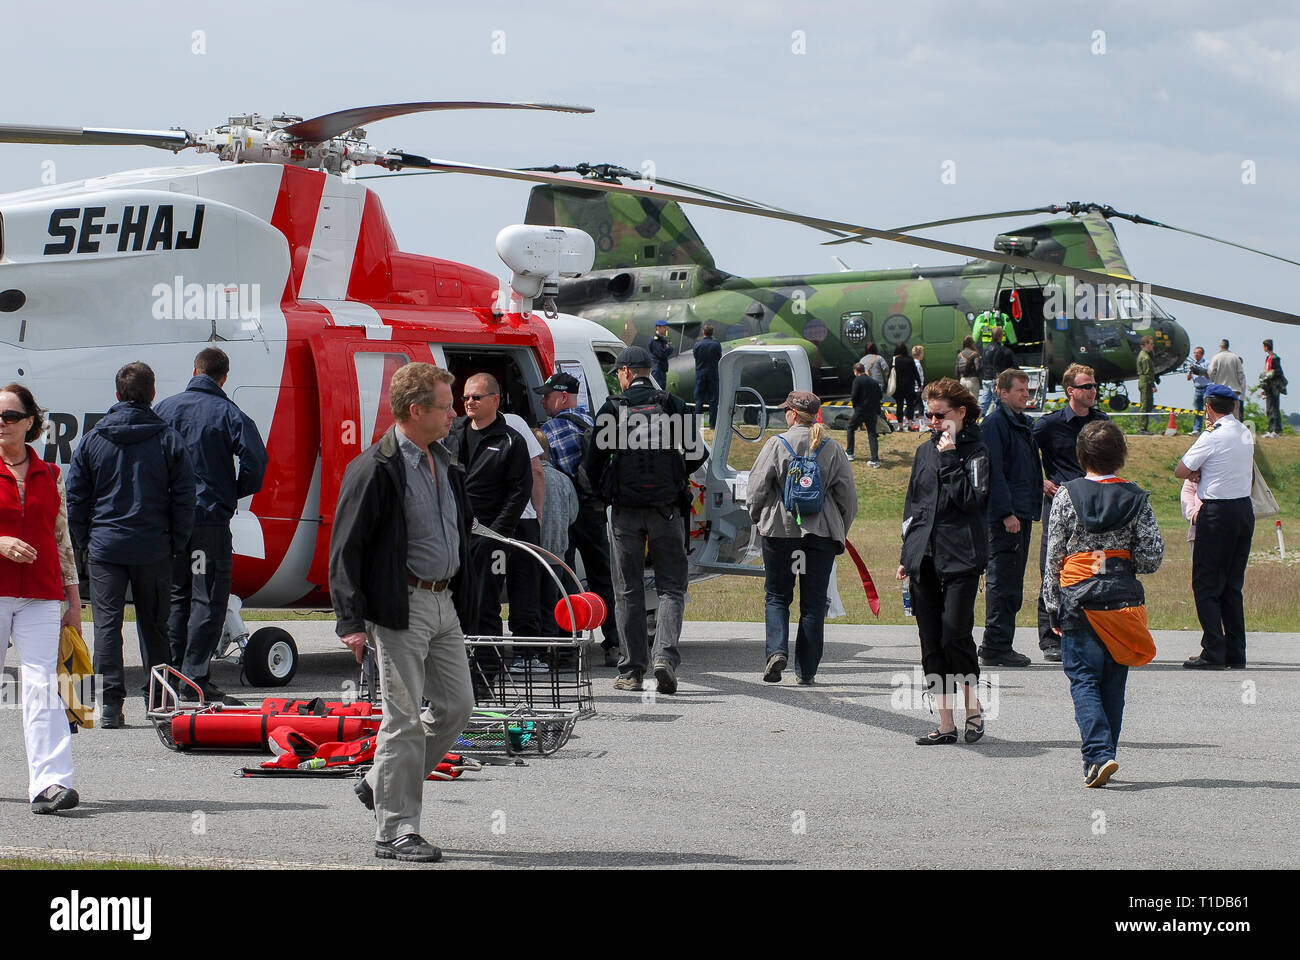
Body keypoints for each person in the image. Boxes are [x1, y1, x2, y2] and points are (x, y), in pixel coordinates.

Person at [330, 363, 477, 863]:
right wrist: (350, 622)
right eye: (445, 405)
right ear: (416, 411)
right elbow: (345, 549)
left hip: (443, 604)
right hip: (401, 607)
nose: (454, 413)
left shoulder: (445, 459)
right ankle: (395, 831)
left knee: (458, 707)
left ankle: (379, 781)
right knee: (403, 721)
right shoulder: (375, 467)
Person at [67, 363, 195, 728]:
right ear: (153, 394)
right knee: (155, 627)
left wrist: (85, 541)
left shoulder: (93, 439)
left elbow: (76, 496)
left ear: (117, 394)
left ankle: (110, 706)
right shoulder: (168, 439)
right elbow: (185, 497)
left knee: (107, 627)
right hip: (154, 548)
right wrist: (177, 542)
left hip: (106, 547)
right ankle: (159, 702)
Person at [1042, 420, 1164, 787]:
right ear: (1121, 457)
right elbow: (1151, 556)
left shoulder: (1066, 495)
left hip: (1078, 598)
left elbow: (1054, 555)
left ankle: (1098, 754)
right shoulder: (1136, 496)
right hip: (1122, 599)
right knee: (1114, 682)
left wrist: (1053, 604)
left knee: (1083, 679)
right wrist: (1123, 560)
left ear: (1082, 456)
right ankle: (1104, 752)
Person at [585, 345, 706, 693]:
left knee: (628, 590)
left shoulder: (613, 408)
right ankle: (664, 657)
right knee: (671, 587)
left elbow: (592, 463)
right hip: (666, 509)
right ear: (648, 370)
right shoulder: (671, 405)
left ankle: (631, 671)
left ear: (624, 373)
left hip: (624, 513)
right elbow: (697, 453)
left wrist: (606, 491)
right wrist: (674, 476)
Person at [155, 348, 267, 702]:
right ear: (224, 377)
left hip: (172, 524)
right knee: (207, 597)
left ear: (195, 370)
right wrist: (233, 491)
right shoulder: (230, 413)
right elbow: (256, 461)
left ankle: (172, 673)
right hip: (207, 522)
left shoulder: (165, 409)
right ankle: (195, 675)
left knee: (178, 595)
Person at [0, 384, 82, 813]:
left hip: (41, 594)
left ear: (31, 421)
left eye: (10, 417)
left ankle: (50, 785)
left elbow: (61, 536)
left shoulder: (51, 473)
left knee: (41, 687)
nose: (1, 424)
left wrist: (74, 600)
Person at [896, 378, 990, 745]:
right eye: (928, 415)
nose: (932, 422)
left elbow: (972, 501)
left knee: (955, 635)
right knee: (931, 641)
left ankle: (974, 709)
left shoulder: (977, 452)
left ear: (961, 413)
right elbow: (914, 506)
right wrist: (908, 553)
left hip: (961, 559)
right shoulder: (923, 452)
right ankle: (946, 722)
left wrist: (951, 457)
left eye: (939, 415)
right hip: (925, 558)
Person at [747, 391, 858, 685]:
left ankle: (776, 652)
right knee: (813, 603)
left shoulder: (776, 443)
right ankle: (806, 671)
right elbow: (848, 497)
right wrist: (838, 529)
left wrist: (759, 518)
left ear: (793, 415)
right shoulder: (832, 448)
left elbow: (757, 488)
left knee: (777, 596)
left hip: (780, 533)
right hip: (819, 536)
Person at [537, 371, 622, 666]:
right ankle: (613, 643)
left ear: (562, 397)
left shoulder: (552, 430)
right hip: (596, 511)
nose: (543, 401)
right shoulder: (594, 423)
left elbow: (548, 471)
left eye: (546, 396)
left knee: (566, 577)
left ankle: (567, 647)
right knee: (602, 578)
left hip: (566, 512)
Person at [1032, 363, 1109, 662]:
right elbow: (1023, 453)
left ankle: (1089, 632)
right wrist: (1040, 481)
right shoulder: (1049, 425)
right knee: (1051, 568)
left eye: (1094, 385)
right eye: (1087, 386)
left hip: (1093, 505)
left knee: (1093, 569)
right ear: (1071, 391)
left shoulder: (1102, 422)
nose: (1093, 391)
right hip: (1059, 506)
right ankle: (1050, 638)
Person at [445, 373, 532, 638]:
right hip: (452, 535)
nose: (469, 402)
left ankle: (486, 672)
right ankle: (457, 670)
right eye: (466, 397)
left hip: (489, 540)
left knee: (484, 604)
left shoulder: (510, 441)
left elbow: (519, 492)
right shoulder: (452, 433)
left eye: (476, 397)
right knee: (450, 605)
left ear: (495, 400)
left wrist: (494, 535)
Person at [1174, 384, 1255, 669]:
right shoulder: (1245, 432)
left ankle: (1213, 650)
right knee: (1232, 585)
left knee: (1206, 583)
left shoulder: (1211, 436)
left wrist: (1199, 470)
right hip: (1243, 510)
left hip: (1217, 512)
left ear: (1208, 407)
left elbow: (1181, 469)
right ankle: (1236, 651)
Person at [977, 369, 1043, 668]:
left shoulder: (1022, 424)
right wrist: (1006, 513)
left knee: (1013, 580)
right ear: (1003, 392)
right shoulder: (995, 424)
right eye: (1020, 390)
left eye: (1027, 390)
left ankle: (1002, 642)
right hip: (1007, 517)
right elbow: (994, 472)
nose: (1026, 394)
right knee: (1002, 580)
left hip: (1022, 512)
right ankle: (995, 645)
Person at [500, 410, 545, 647]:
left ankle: (489, 649)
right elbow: (537, 470)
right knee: (525, 585)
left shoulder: (465, 427)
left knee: (487, 589)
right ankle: (527, 653)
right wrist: (538, 512)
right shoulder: (515, 421)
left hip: (488, 524)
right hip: (522, 520)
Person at [534, 429, 580, 639]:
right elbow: (573, 515)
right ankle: (558, 647)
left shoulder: (527, 478)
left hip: (533, 552)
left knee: (536, 605)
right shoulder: (564, 480)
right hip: (558, 554)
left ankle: (541, 648)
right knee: (556, 603)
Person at [845, 362, 882, 467]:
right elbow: (879, 396)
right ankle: (875, 460)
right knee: (872, 434)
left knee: (850, 428)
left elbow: (854, 396)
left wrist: (855, 407)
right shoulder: (873, 381)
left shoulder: (857, 380)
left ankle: (850, 453)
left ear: (855, 371)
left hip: (861, 410)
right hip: (872, 411)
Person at [979, 328, 1016, 415]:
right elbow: (1011, 366)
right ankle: (997, 421)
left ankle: (977, 421)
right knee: (997, 402)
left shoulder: (985, 349)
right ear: (1001, 336)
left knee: (984, 403)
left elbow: (982, 365)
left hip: (985, 379)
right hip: (995, 380)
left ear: (991, 336)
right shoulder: (1003, 351)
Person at [692, 323, 722, 429]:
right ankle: (713, 425)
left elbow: (695, 356)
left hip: (700, 374)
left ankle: (696, 424)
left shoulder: (697, 345)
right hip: (713, 374)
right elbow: (719, 357)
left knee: (699, 399)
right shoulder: (716, 344)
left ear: (703, 332)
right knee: (713, 400)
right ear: (712, 333)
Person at [1208, 339, 1245, 420]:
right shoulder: (1235, 357)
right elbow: (1240, 374)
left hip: (1220, 390)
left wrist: (1215, 381)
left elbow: (1210, 372)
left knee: (1220, 414)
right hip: (1233, 390)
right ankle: (1234, 431)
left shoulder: (1216, 357)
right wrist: (1240, 386)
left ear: (1221, 346)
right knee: (1234, 414)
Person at [1258, 339, 1287, 438]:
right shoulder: (1268, 358)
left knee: (1274, 408)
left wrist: (1271, 374)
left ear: (1266, 347)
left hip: (1274, 387)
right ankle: (1270, 430)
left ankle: (1276, 430)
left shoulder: (1275, 358)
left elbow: (1278, 371)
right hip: (1268, 387)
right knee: (1269, 409)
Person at [891, 343, 920, 430]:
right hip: (909, 386)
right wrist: (919, 383)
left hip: (898, 387)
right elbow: (915, 373)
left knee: (899, 406)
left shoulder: (895, 360)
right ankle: (910, 424)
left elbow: (891, 374)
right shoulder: (910, 359)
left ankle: (900, 426)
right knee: (910, 405)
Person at [1186, 346, 1210, 434]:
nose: (1196, 355)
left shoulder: (1206, 363)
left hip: (1206, 388)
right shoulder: (1192, 364)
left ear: (1202, 354)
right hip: (1197, 389)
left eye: (1198, 353)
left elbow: (1210, 375)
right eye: (1195, 353)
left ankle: (1210, 427)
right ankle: (1197, 429)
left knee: (1208, 409)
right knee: (1197, 409)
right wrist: (1191, 371)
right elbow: (1188, 378)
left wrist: (1200, 371)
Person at [1136, 336, 1157, 433]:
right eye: (1151, 344)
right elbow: (1147, 373)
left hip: (1145, 382)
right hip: (1145, 383)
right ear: (1146, 345)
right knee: (1145, 405)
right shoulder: (1145, 357)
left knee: (1148, 404)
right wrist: (1152, 385)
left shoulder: (1145, 355)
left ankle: (1144, 427)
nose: (1153, 346)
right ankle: (1142, 428)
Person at [955, 335, 982, 400]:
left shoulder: (960, 355)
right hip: (972, 380)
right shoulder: (974, 354)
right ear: (972, 343)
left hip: (962, 380)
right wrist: (980, 379)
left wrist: (959, 381)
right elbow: (977, 368)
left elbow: (956, 369)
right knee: (974, 403)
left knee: (965, 403)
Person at [649, 319, 673, 387]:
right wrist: (668, 349)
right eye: (664, 327)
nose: (666, 329)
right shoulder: (655, 340)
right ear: (658, 327)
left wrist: (668, 349)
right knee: (657, 390)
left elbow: (669, 349)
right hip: (657, 369)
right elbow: (661, 354)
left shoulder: (662, 340)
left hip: (662, 368)